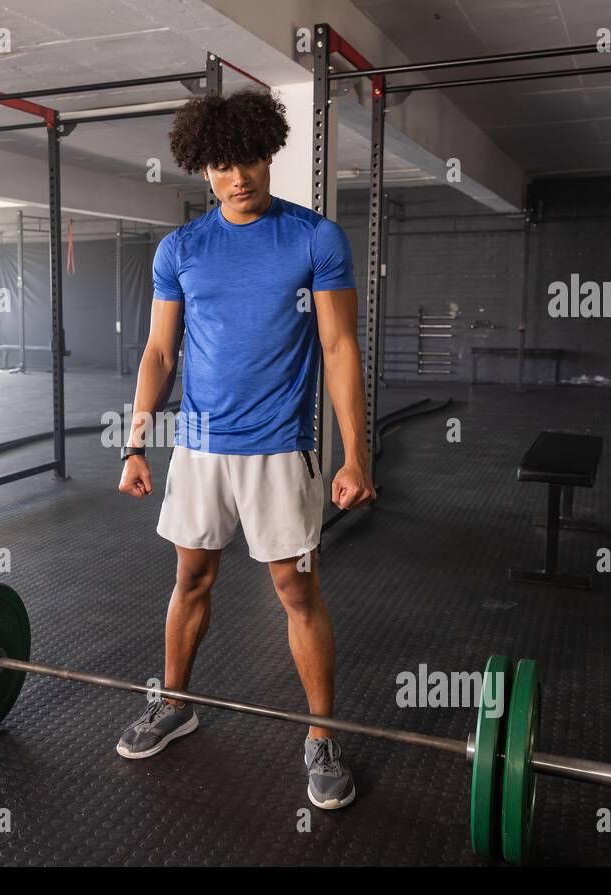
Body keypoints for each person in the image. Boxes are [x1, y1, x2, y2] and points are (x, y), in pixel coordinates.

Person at [115, 88, 374, 809]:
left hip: (278, 450)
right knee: (190, 579)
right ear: (204, 170)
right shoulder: (182, 249)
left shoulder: (314, 238)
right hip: (197, 450)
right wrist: (137, 442)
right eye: (224, 166)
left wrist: (357, 454)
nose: (240, 178)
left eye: (251, 160)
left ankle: (321, 736)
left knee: (296, 590)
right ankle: (174, 703)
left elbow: (338, 344)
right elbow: (160, 353)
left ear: (269, 153)